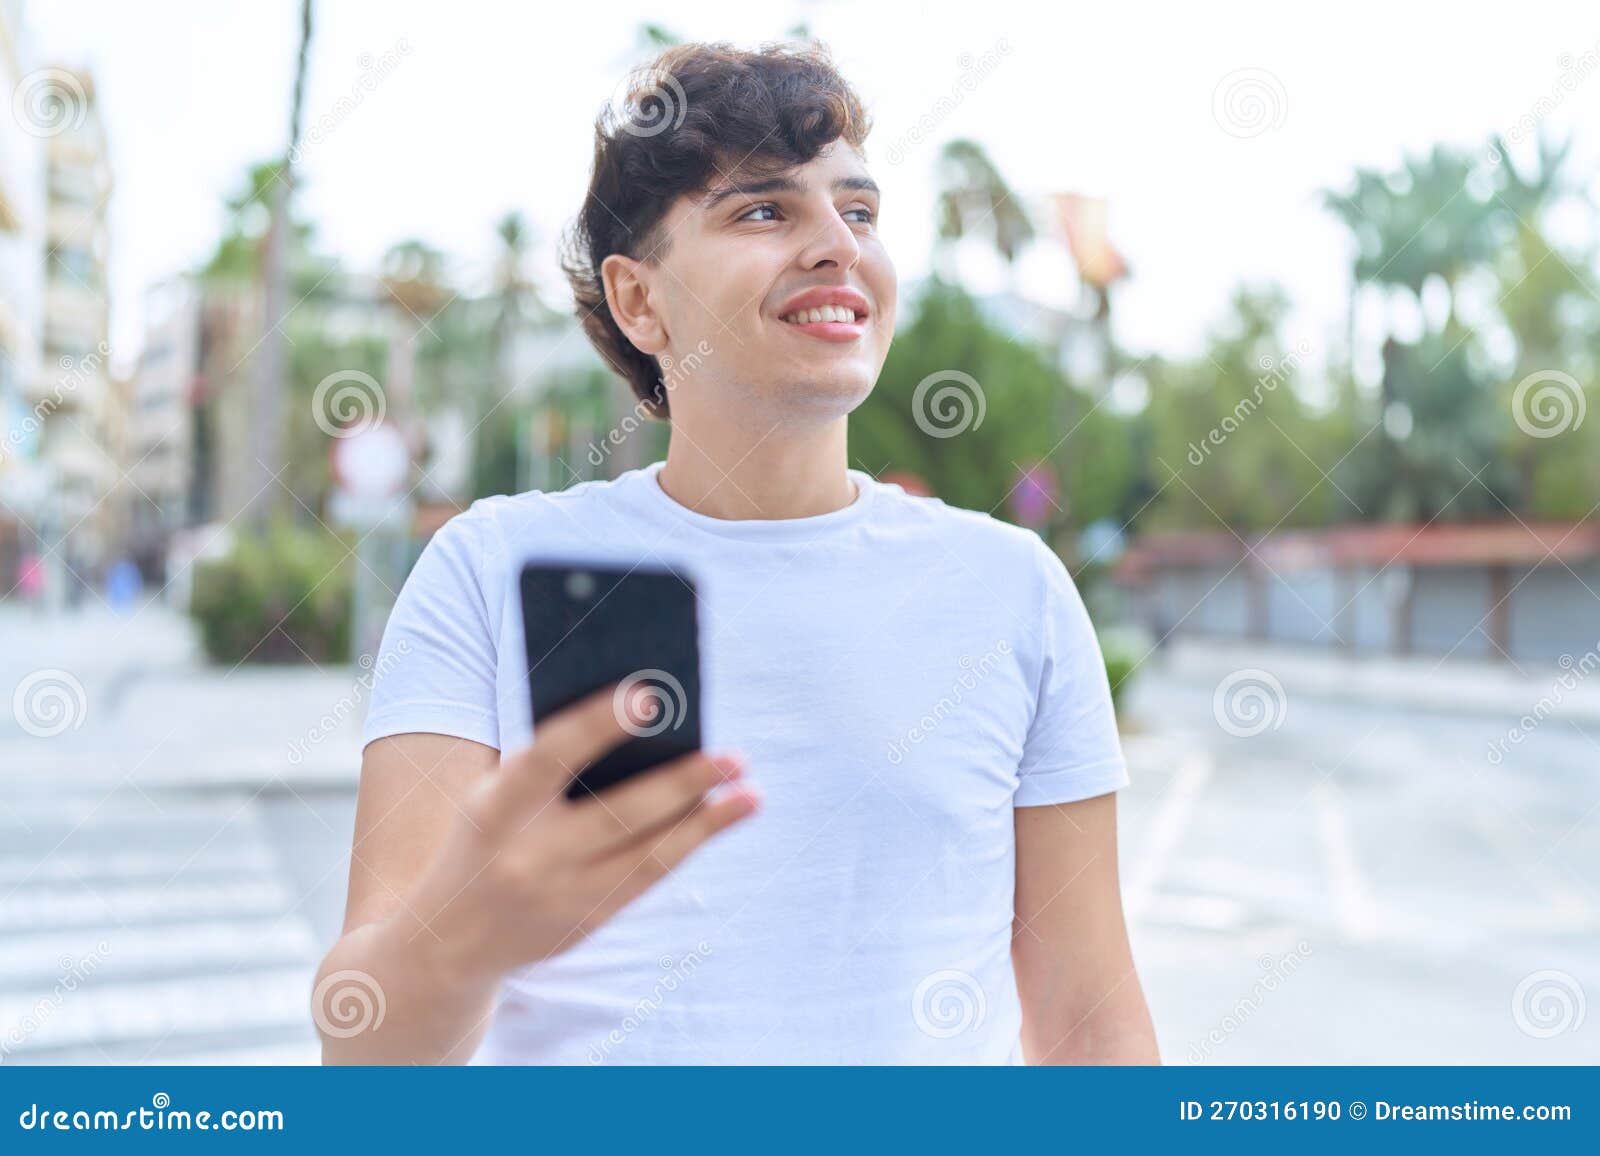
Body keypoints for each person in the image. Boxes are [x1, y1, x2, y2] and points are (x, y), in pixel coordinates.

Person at [315, 41, 1158, 1065]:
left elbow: (1088, 1027)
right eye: (763, 210)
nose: (835, 245)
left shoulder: (1012, 588)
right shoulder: (485, 569)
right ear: (638, 301)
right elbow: (363, 1055)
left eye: (858, 211)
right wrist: (465, 930)